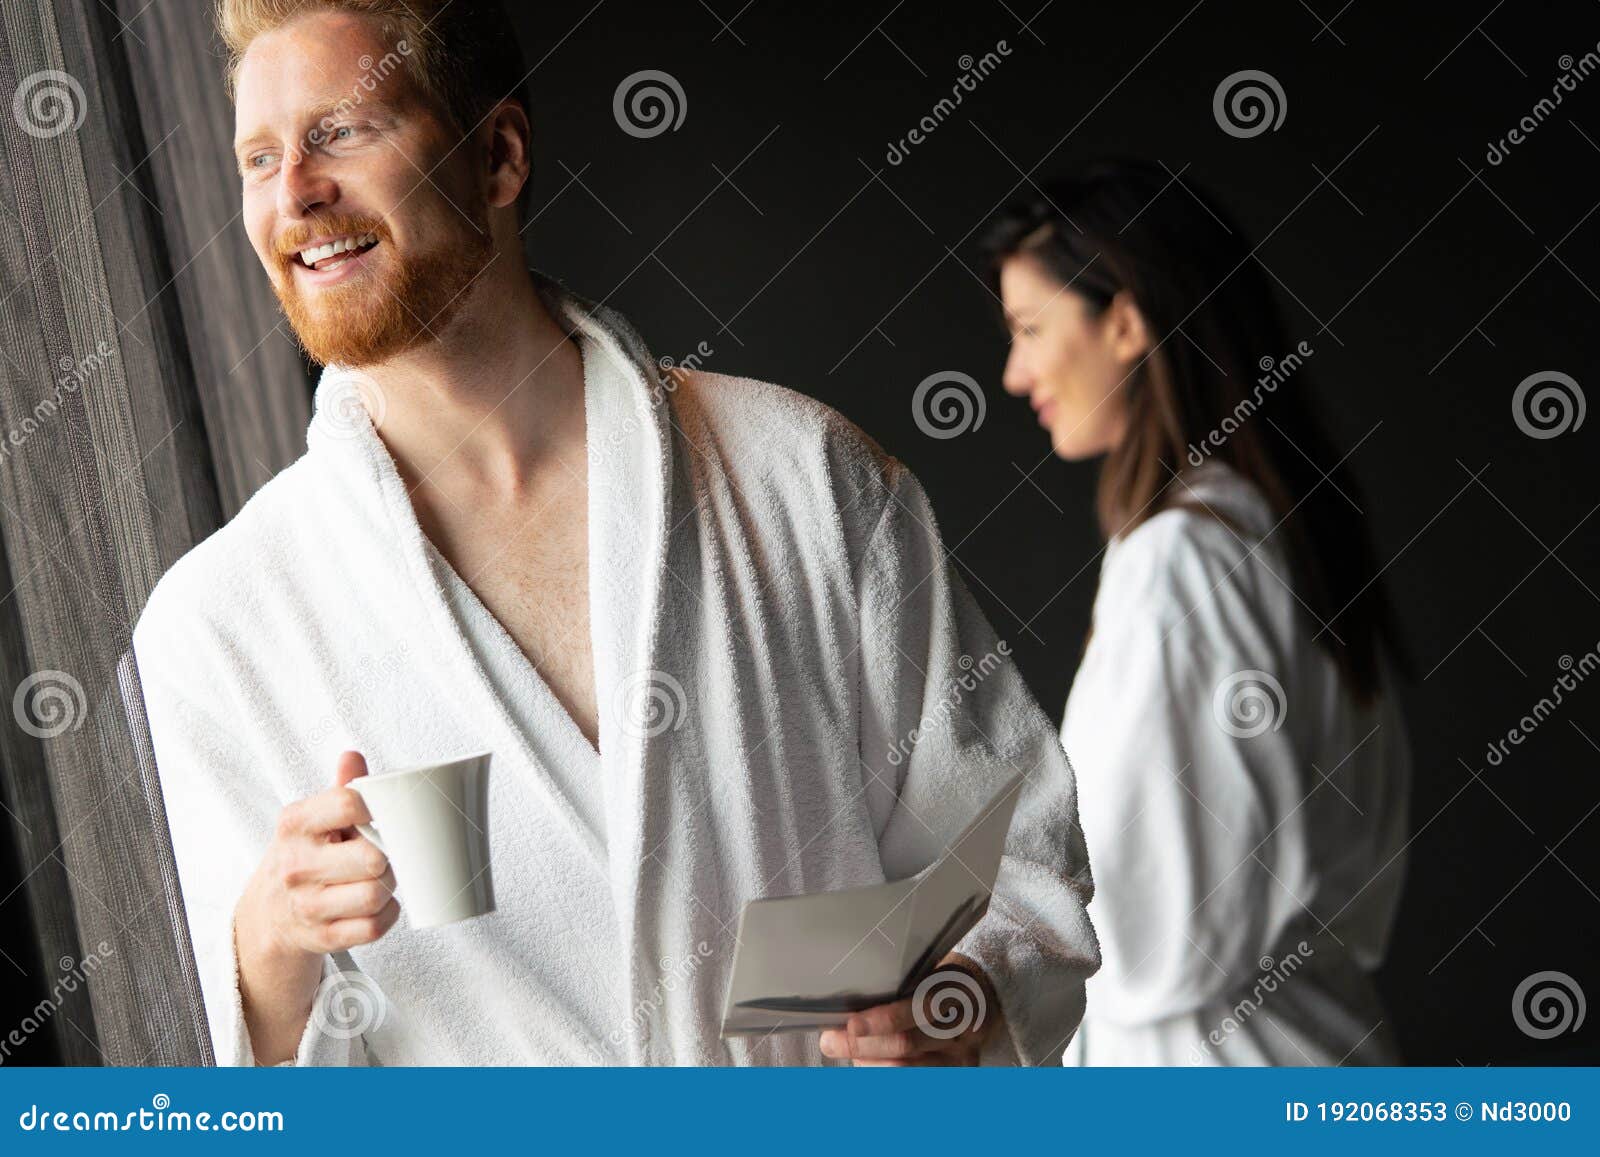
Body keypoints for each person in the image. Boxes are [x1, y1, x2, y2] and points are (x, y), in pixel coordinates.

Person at [130, 0, 1100, 1067]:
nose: (294, 194)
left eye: (342, 133)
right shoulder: (219, 626)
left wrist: (956, 1007)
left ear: (497, 156)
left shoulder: (804, 475)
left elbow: (1017, 852)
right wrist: (269, 949)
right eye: (258, 157)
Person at [980, 158, 1411, 1065]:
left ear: (1126, 320)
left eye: (1029, 328)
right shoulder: (1280, 531)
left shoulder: (1184, 559)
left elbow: (1144, 932)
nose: (1015, 373)